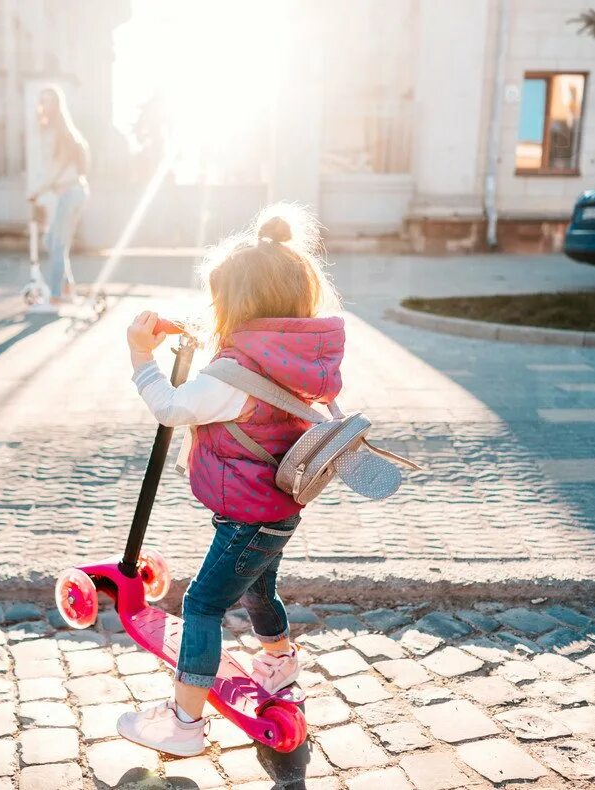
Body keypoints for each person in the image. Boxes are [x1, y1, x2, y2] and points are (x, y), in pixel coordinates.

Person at [118, 205, 344, 756]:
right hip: (279, 509)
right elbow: (243, 367)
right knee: (259, 588)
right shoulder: (295, 356)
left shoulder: (229, 377)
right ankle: (277, 662)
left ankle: (185, 722)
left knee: (201, 605)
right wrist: (190, 330)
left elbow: (173, 408)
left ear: (236, 305)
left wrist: (140, 357)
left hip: (245, 514)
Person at [27, 85, 90, 313]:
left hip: (72, 193)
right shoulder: (50, 130)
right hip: (71, 194)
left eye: (51, 100)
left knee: (55, 244)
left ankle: (56, 296)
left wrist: (38, 190)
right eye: (43, 100)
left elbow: (57, 169)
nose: (46, 105)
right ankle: (67, 288)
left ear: (58, 105)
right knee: (54, 243)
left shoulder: (63, 133)